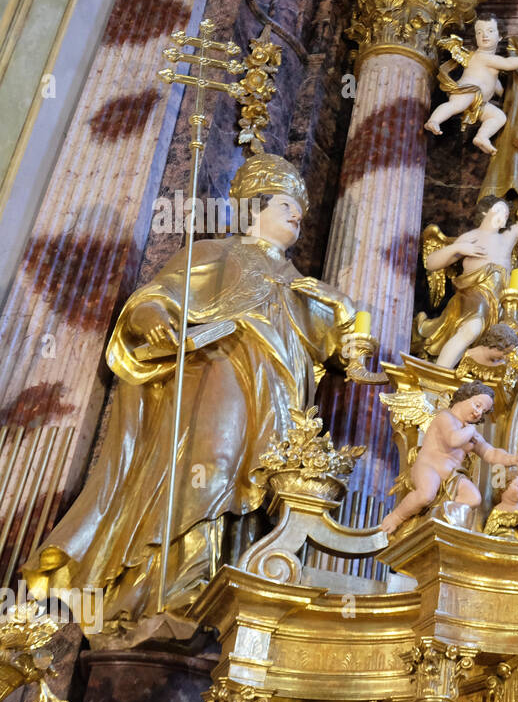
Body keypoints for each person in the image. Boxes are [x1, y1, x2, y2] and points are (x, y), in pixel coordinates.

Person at [25, 154, 366, 632]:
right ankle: (178, 585)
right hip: (219, 374)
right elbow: (157, 298)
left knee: (266, 484)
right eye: (287, 205)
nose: (297, 217)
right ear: (254, 209)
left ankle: (235, 584)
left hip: (284, 402)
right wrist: (158, 322)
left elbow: (343, 346)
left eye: (301, 212)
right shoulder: (215, 254)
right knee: (211, 465)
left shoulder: (305, 286)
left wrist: (350, 331)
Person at [420, 162, 518, 368]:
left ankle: (465, 367)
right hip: (474, 295)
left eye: (507, 213)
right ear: (484, 212)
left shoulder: (508, 236)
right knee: (471, 329)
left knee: (499, 346)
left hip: (500, 300)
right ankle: (438, 375)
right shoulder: (470, 237)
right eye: (499, 209)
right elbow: (431, 263)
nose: (505, 215)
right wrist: (459, 249)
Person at [379, 381, 518, 535]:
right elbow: (453, 440)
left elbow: (490, 453)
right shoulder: (445, 417)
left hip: (451, 475)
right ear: (464, 397)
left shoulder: (469, 431)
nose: (479, 413)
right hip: (429, 467)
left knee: (473, 498)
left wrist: (513, 459)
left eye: (484, 411)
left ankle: (441, 517)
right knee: (426, 494)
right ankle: (397, 516)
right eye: (478, 405)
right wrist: (470, 431)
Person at [425, 15, 518, 155]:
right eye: (479, 32)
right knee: (456, 106)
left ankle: (482, 137)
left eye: (490, 31)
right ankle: (434, 120)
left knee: (499, 117)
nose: (484, 35)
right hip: (467, 91)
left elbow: (495, 84)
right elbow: (508, 64)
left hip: (479, 101)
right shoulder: (483, 56)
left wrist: (503, 93)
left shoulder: (491, 63)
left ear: (500, 36)